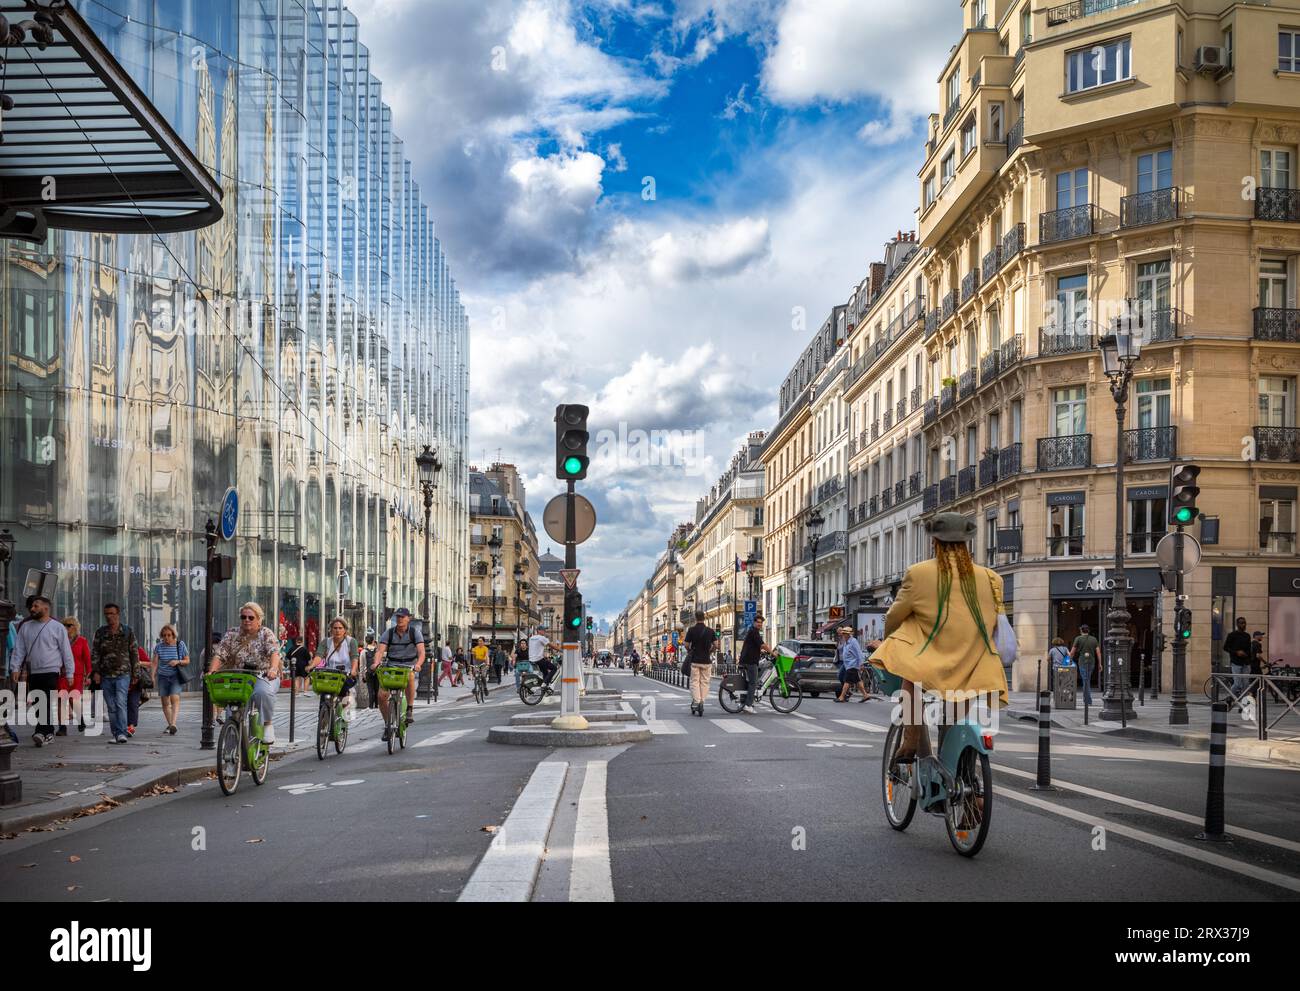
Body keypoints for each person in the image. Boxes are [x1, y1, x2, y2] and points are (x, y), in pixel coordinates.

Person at [871, 513, 1009, 765]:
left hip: (929, 660)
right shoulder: (992, 578)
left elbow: (895, 616)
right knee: (955, 720)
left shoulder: (919, 573)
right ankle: (962, 779)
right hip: (973, 663)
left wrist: (892, 641)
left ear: (935, 540)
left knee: (910, 680)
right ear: (967, 541)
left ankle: (911, 739)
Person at [208, 602, 283, 744]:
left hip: (262, 675)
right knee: (232, 711)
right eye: (243, 617)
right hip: (238, 678)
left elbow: (274, 652)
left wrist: (273, 669)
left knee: (263, 693)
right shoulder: (232, 633)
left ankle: (267, 724)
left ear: (259, 619)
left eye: (251, 617)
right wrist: (212, 671)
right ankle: (231, 748)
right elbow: (220, 654)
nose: (246, 620)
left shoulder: (265, 633)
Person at [10, 595, 75, 746]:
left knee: (44, 700)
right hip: (34, 671)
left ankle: (40, 732)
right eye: (32, 606)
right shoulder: (25, 627)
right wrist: (15, 667)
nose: (32, 609)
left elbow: (66, 651)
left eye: (36, 606)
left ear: (46, 608)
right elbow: (19, 649)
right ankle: (48, 733)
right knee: (38, 702)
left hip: (51, 670)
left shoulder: (57, 627)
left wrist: (70, 673)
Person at [91, 603, 141, 745]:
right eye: (106, 614)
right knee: (111, 706)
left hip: (123, 674)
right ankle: (116, 732)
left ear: (118, 614)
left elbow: (134, 653)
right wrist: (95, 672)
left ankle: (122, 733)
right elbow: (95, 653)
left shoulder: (127, 631)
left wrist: (136, 674)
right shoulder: (100, 632)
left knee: (120, 703)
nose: (109, 616)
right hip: (105, 675)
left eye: (112, 613)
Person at [371, 608, 425, 740]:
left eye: (402, 617)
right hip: (392, 666)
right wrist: (376, 663)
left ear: (408, 618)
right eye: (398, 617)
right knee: (382, 696)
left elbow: (421, 652)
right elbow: (380, 651)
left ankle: (409, 709)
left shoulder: (414, 633)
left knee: (410, 676)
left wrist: (418, 665)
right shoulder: (388, 633)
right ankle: (387, 724)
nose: (400, 619)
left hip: (408, 665)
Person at [311, 617, 360, 709]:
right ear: (331, 630)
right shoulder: (326, 642)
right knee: (324, 695)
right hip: (330, 674)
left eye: (340, 628)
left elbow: (354, 658)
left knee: (343, 694)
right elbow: (319, 656)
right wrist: (312, 666)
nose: (337, 630)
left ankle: (344, 709)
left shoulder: (351, 642)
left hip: (346, 674)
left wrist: (353, 670)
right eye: (335, 628)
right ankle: (323, 718)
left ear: (345, 630)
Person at [150, 625, 190, 735]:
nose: (166, 638)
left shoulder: (180, 645)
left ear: (173, 635)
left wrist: (178, 661)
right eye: (164, 636)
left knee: (174, 698)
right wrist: (152, 677)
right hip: (162, 676)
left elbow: (187, 660)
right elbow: (154, 663)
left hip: (175, 676)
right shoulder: (159, 647)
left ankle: (173, 724)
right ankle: (170, 724)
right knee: (165, 702)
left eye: (169, 635)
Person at [60, 617, 92, 734]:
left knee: (74, 699)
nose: (66, 628)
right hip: (62, 674)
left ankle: (80, 719)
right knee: (62, 699)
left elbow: (87, 659)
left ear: (75, 627)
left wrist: (88, 675)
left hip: (77, 675)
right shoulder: (60, 640)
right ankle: (62, 727)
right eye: (64, 625)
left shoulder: (82, 641)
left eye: (69, 625)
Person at [682, 610, 715, 717]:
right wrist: (710, 651)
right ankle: (702, 702)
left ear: (695, 618)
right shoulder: (710, 631)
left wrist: (690, 650)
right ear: (704, 618)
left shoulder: (691, 630)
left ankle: (697, 701)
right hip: (706, 661)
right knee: (705, 682)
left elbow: (686, 644)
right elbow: (716, 645)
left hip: (695, 660)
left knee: (694, 682)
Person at [737, 614, 770, 714]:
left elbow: (755, 646)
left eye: (761, 623)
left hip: (746, 659)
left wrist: (762, 652)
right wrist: (772, 653)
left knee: (748, 682)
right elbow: (762, 645)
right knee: (753, 683)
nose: (760, 624)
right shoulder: (754, 632)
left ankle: (743, 702)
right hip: (750, 661)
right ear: (754, 623)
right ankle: (748, 705)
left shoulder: (752, 631)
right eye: (758, 622)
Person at [835, 626, 871, 703]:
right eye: (843, 633)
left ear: (848, 634)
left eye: (845, 634)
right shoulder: (846, 641)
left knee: (847, 681)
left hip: (852, 664)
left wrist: (861, 664)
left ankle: (842, 697)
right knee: (857, 680)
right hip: (847, 664)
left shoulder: (853, 642)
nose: (843, 635)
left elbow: (859, 653)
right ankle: (865, 695)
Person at [1223, 617, 1252, 704]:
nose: (1243, 625)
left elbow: (1248, 648)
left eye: (1244, 623)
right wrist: (1236, 652)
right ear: (1237, 624)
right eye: (1241, 623)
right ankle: (1230, 697)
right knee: (1237, 684)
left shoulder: (1247, 636)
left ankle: (1243, 703)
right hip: (1236, 662)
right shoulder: (1232, 635)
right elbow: (1225, 647)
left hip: (1246, 663)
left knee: (1246, 684)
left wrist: (1246, 655)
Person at [1070, 624, 1101, 706]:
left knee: (1085, 681)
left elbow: (1072, 652)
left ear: (1081, 630)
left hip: (1082, 662)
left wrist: (1069, 660)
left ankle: (1088, 700)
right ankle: (1086, 699)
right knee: (1087, 680)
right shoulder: (1094, 639)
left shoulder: (1078, 638)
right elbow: (1098, 652)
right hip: (1091, 662)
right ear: (1088, 631)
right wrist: (1100, 663)